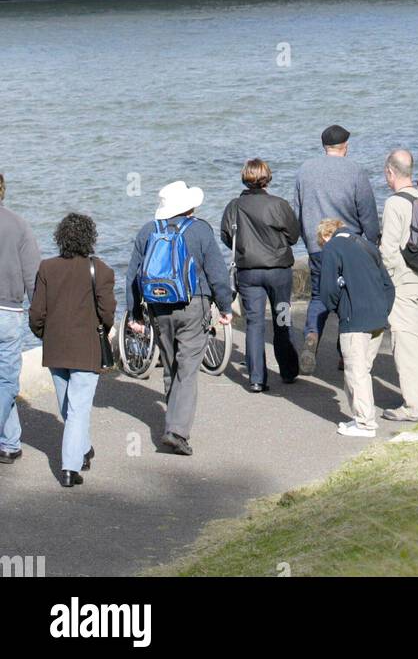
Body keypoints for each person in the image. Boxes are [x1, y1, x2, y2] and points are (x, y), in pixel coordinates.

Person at [126, 181, 232, 457]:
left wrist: (135, 312)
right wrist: (225, 306)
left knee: (171, 365)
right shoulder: (200, 230)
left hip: (158, 307)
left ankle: (173, 422)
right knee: (187, 369)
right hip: (193, 303)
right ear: (189, 206)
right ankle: (177, 431)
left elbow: (133, 276)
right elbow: (217, 272)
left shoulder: (148, 230)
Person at [29, 213, 115, 488]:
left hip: (55, 348)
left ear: (60, 238)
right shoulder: (101, 270)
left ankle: (83, 450)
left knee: (69, 406)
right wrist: (102, 328)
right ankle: (69, 467)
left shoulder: (46, 268)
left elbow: (36, 313)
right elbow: (108, 312)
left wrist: (44, 334)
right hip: (86, 348)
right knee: (77, 408)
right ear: (90, 238)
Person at [293, 126, 379, 376]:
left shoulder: (305, 170)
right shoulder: (355, 171)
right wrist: (371, 242)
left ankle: (311, 334)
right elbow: (367, 211)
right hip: (348, 245)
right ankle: (345, 355)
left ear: (324, 147)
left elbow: (297, 208)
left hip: (317, 244)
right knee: (347, 296)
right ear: (346, 146)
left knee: (319, 295)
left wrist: (308, 239)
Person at [221, 158, 300, 393]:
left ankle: (256, 378)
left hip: (249, 272)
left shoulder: (234, 206)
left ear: (245, 177)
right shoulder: (278, 204)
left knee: (253, 324)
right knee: (281, 319)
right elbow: (294, 236)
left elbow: (227, 238)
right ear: (267, 177)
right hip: (278, 270)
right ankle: (287, 369)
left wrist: (246, 249)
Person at [318, 216, 395, 436]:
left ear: (326, 235)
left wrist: (339, 308)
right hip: (378, 317)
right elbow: (388, 285)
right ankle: (361, 417)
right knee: (364, 370)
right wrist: (384, 309)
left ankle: (365, 423)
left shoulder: (332, 247)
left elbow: (327, 290)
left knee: (356, 372)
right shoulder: (366, 244)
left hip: (354, 320)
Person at [380, 149, 418, 421]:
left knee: (405, 341)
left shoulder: (395, 203)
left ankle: (414, 405)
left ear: (391, 172)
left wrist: (390, 277)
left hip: (403, 281)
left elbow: (388, 249)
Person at [0, 174, 41, 466]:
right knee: (7, 380)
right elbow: (33, 279)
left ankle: (10, 443)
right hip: (8, 312)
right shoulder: (19, 225)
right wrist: (41, 318)